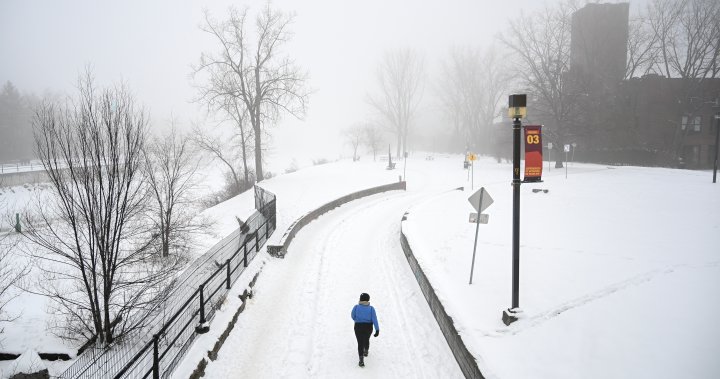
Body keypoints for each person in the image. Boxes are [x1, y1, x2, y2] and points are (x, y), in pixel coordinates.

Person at [351, 292, 380, 367]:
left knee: (360, 343)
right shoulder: (371, 309)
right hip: (368, 327)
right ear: (368, 300)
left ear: (360, 299)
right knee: (366, 339)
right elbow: (374, 319)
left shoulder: (356, 307)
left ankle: (361, 360)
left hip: (358, 326)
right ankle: (366, 351)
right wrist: (377, 329)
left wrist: (357, 319)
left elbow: (352, 316)